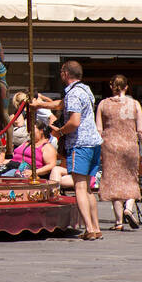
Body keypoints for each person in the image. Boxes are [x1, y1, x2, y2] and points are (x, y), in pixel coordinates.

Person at [32, 61, 103, 240]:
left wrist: (59, 131)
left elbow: (74, 122)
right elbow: (60, 105)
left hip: (79, 144)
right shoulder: (85, 90)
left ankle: (88, 228)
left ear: (65, 73)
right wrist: (40, 105)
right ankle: (95, 227)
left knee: (79, 187)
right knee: (87, 188)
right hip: (94, 143)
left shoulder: (73, 93)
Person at [95, 75, 142, 231]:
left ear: (111, 86)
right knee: (131, 178)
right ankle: (129, 207)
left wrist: (99, 149)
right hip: (129, 146)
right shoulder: (134, 104)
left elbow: (99, 129)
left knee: (113, 181)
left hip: (110, 146)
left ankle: (119, 222)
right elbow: (141, 130)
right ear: (126, 86)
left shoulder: (103, 104)